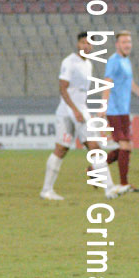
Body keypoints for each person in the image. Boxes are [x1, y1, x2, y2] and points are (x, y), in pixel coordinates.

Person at [41, 32, 118, 201]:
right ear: (78, 44)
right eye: (83, 43)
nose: (86, 46)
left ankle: (46, 190)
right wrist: (75, 110)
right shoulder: (70, 62)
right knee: (94, 146)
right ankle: (110, 188)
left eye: (89, 44)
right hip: (71, 110)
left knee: (62, 149)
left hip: (73, 110)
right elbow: (63, 88)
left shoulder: (88, 64)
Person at [101, 30, 138, 194]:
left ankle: (92, 170)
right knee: (124, 145)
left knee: (128, 146)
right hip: (114, 110)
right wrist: (103, 106)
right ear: (117, 44)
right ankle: (124, 184)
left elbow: (130, 83)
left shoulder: (126, 61)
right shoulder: (113, 61)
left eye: (129, 42)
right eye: (124, 42)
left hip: (124, 110)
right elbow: (107, 82)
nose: (127, 45)